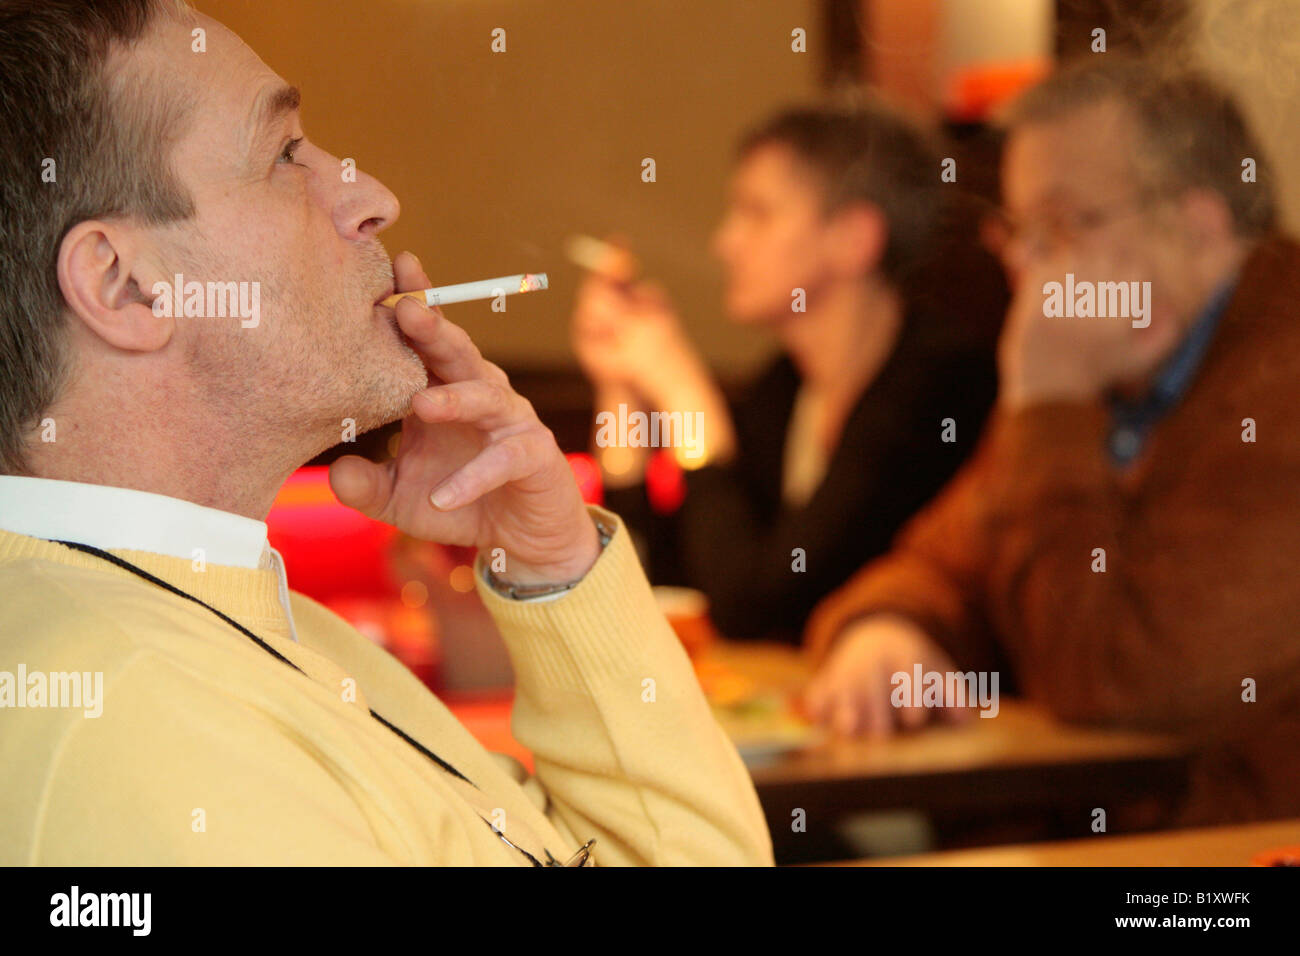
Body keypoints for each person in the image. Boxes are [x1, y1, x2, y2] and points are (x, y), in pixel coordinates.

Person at [0, 0, 772, 866]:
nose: (372, 197)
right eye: (285, 155)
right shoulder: (136, 727)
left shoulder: (246, 622)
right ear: (126, 286)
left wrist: (554, 570)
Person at [803, 58, 1300, 827]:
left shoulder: (1276, 376)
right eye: (1018, 231)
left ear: (1200, 227)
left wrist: (1048, 396)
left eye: (1061, 227)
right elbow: (943, 561)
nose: (1027, 267)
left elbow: (1120, 685)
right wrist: (891, 627)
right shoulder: (1111, 368)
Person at [572, 100, 1004, 643]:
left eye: (758, 213)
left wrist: (684, 397)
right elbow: (664, 588)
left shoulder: (941, 384)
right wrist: (621, 393)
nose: (725, 242)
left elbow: (764, 611)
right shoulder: (786, 388)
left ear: (853, 239)